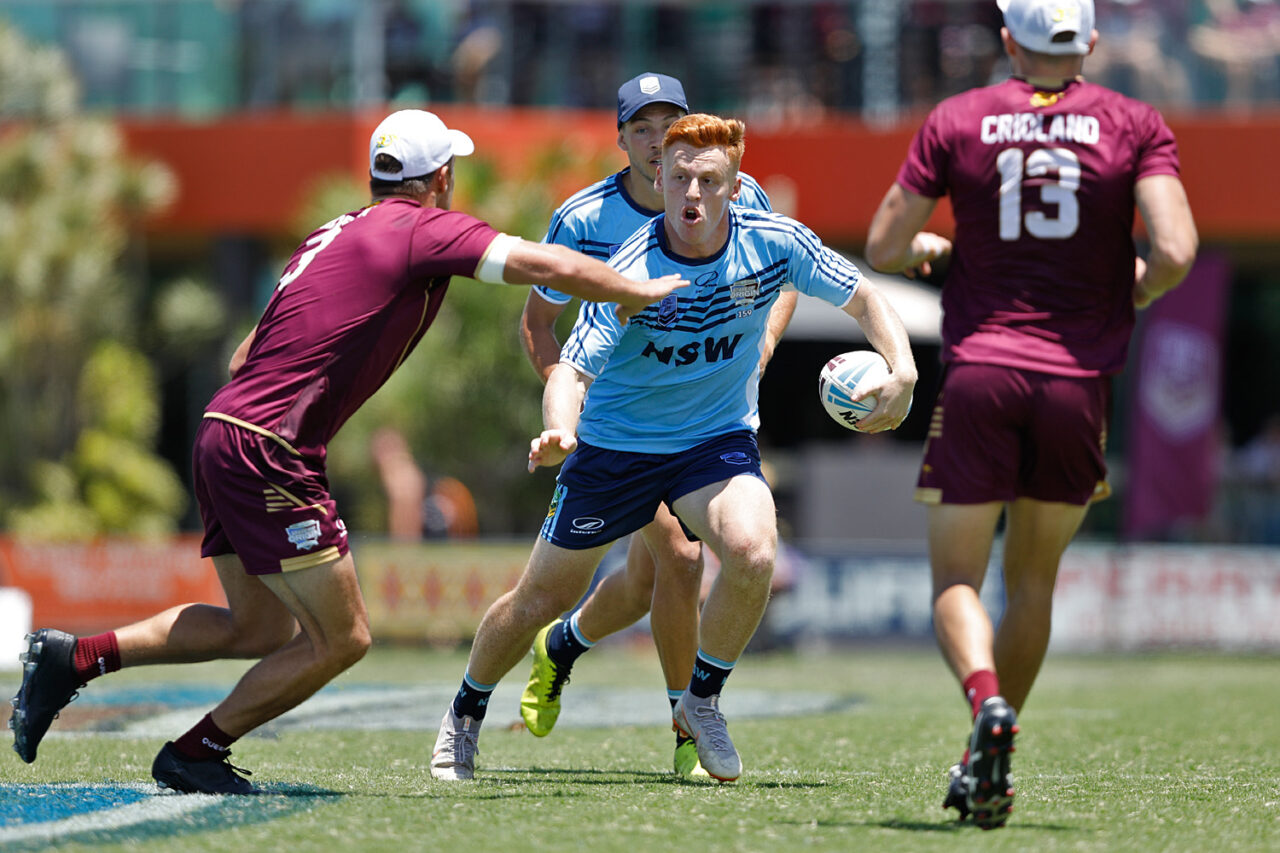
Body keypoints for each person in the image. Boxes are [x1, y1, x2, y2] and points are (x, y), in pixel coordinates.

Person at [7, 109, 687, 794]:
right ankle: (195, 750)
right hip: (271, 445)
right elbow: (542, 262)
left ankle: (74, 657)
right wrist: (637, 287)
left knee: (258, 626)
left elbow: (248, 351)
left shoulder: (334, 230)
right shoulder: (419, 227)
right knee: (345, 637)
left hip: (223, 427)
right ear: (440, 178)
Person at [432, 112, 917, 784]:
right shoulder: (629, 269)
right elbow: (572, 370)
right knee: (541, 596)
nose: (693, 192)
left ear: (734, 183)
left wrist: (903, 367)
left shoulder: (774, 241)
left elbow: (863, 297)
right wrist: (560, 427)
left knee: (750, 551)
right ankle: (464, 711)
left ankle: (701, 702)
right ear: (658, 177)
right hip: (615, 447)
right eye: (680, 176)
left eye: (709, 180)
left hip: (712, 441)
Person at [865, 0, 1197, 829]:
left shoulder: (959, 118)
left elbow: (881, 245)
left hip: (982, 372)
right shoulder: (1134, 122)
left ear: (1007, 39)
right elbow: (1178, 250)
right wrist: (1131, 292)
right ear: (1088, 41)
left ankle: (984, 707)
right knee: (1034, 580)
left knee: (955, 582)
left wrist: (928, 249)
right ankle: (991, 742)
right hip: (1077, 381)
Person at [517, 71, 797, 780]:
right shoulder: (583, 218)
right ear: (621, 140)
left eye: (667, 124)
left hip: (703, 423)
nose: (654, 140)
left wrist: (762, 342)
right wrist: (569, 409)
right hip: (622, 426)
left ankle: (562, 648)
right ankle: (685, 730)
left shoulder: (739, 191)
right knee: (681, 558)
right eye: (641, 127)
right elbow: (538, 322)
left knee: (647, 582)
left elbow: (788, 267)